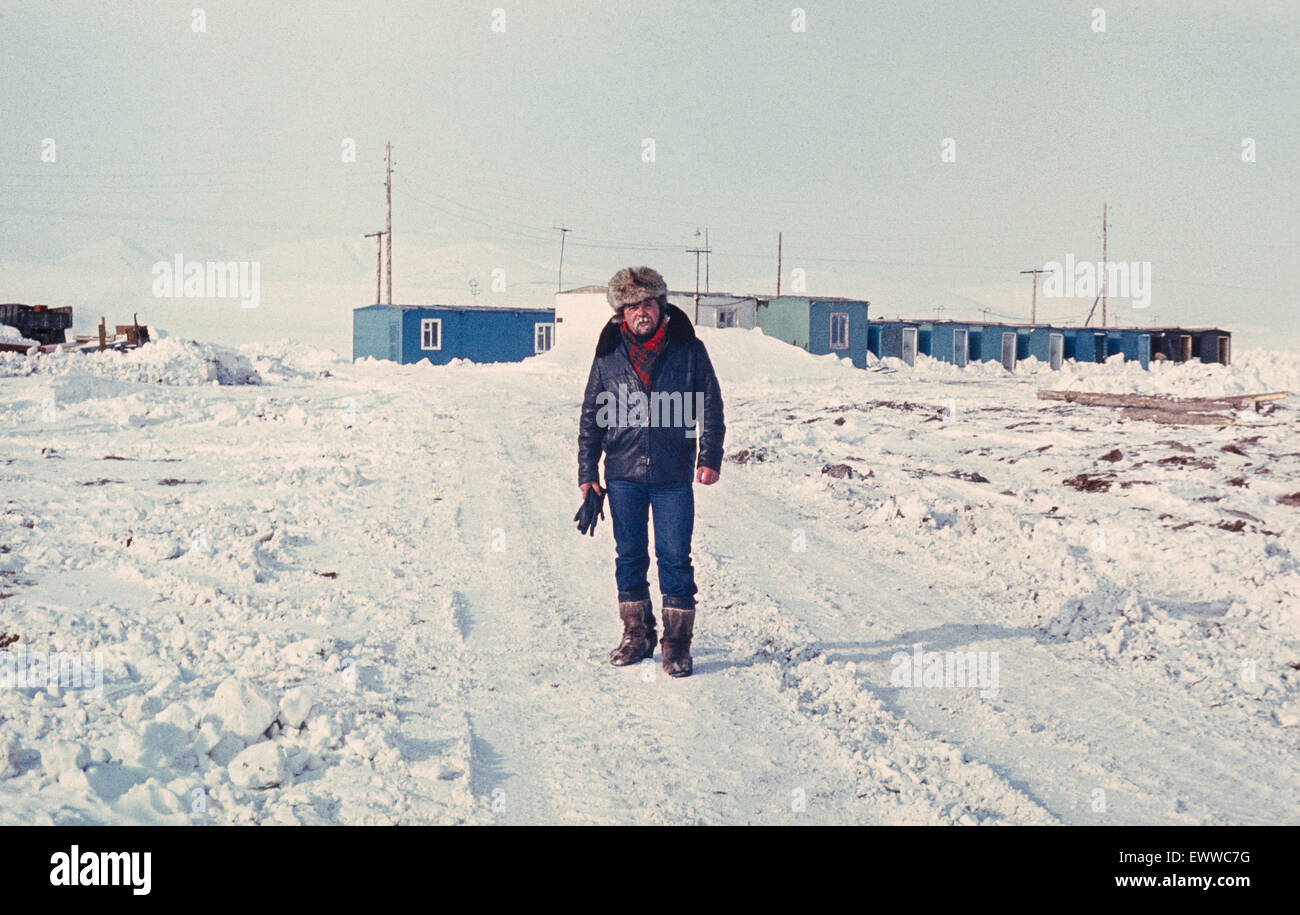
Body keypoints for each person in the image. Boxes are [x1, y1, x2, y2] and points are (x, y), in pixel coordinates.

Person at [577, 267, 725, 677]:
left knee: (675, 557)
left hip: (672, 474)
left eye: (648, 303)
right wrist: (588, 471)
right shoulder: (608, 353)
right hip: (622, 473)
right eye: (632, 306)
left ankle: (677, 644)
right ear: (621, 313)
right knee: (629, 556)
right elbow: (591, 415)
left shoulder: (688, 349)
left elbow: (710, 403)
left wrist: (709, 455)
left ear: (661, 308)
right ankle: (637, 634)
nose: (641, 312)